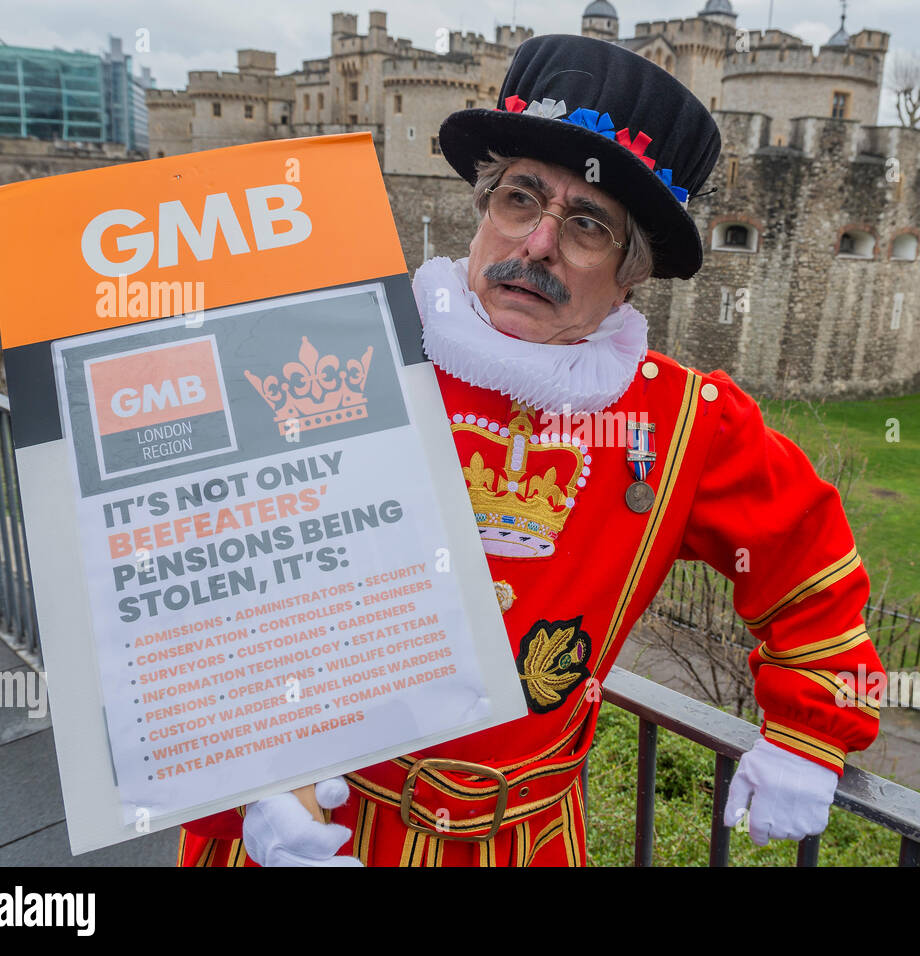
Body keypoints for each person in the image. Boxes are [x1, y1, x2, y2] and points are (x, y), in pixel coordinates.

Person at [178, 32, 883, 867]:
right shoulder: (338, 355)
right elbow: (204, 590)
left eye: (587, 223)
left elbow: (808, 563)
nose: (537, 244)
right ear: (484, 209)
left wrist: (810, 727)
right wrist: (247, 778)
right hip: (315, 827)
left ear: (633, 272)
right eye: (520, 199)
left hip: (524, 843)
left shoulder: (687, 422)